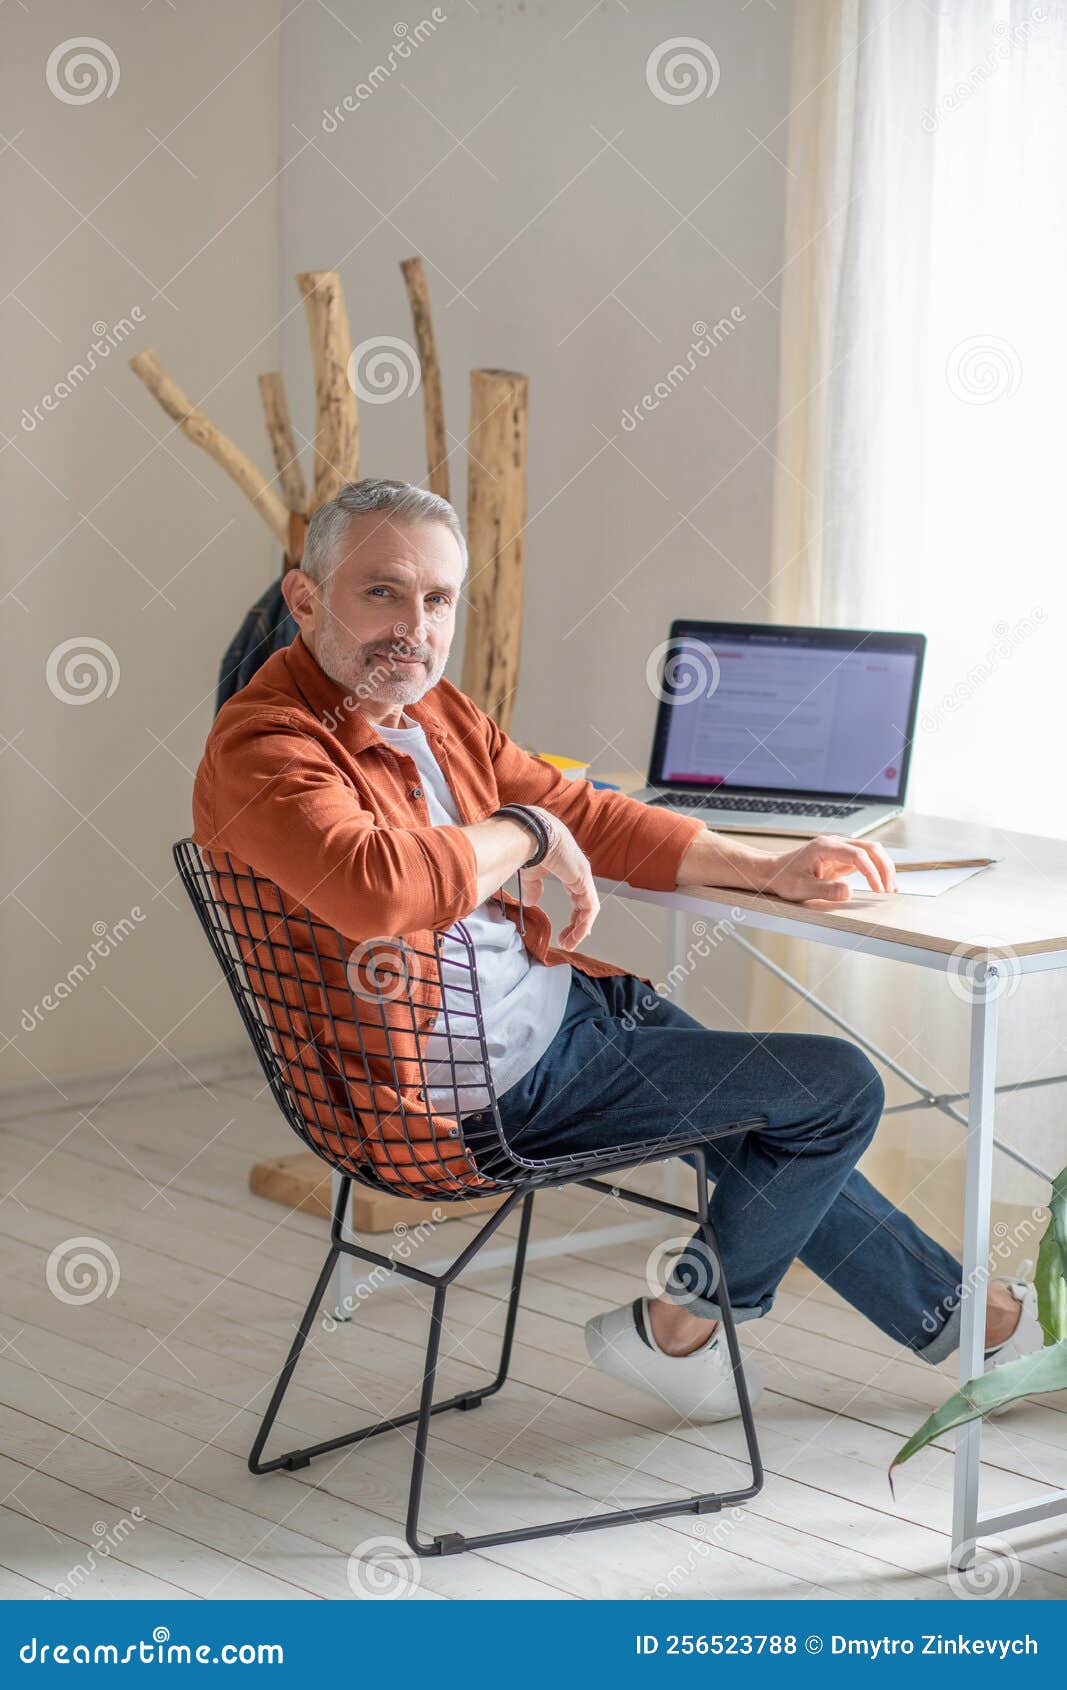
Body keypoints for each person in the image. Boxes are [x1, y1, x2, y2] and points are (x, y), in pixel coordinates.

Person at [193, 477, 1040, 1423]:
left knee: (777, 1117)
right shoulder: (264, 745)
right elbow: (381, 885)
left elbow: (581, 811)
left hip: (572, 1017)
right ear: (305, 598)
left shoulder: (431, 714)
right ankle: (679, 1325)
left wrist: (765, 867)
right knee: (833, 1091)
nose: (415, 627)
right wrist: (524, 828)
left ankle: (982, 1328)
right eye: (380, 591)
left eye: (437, 601)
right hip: (496, 1091)